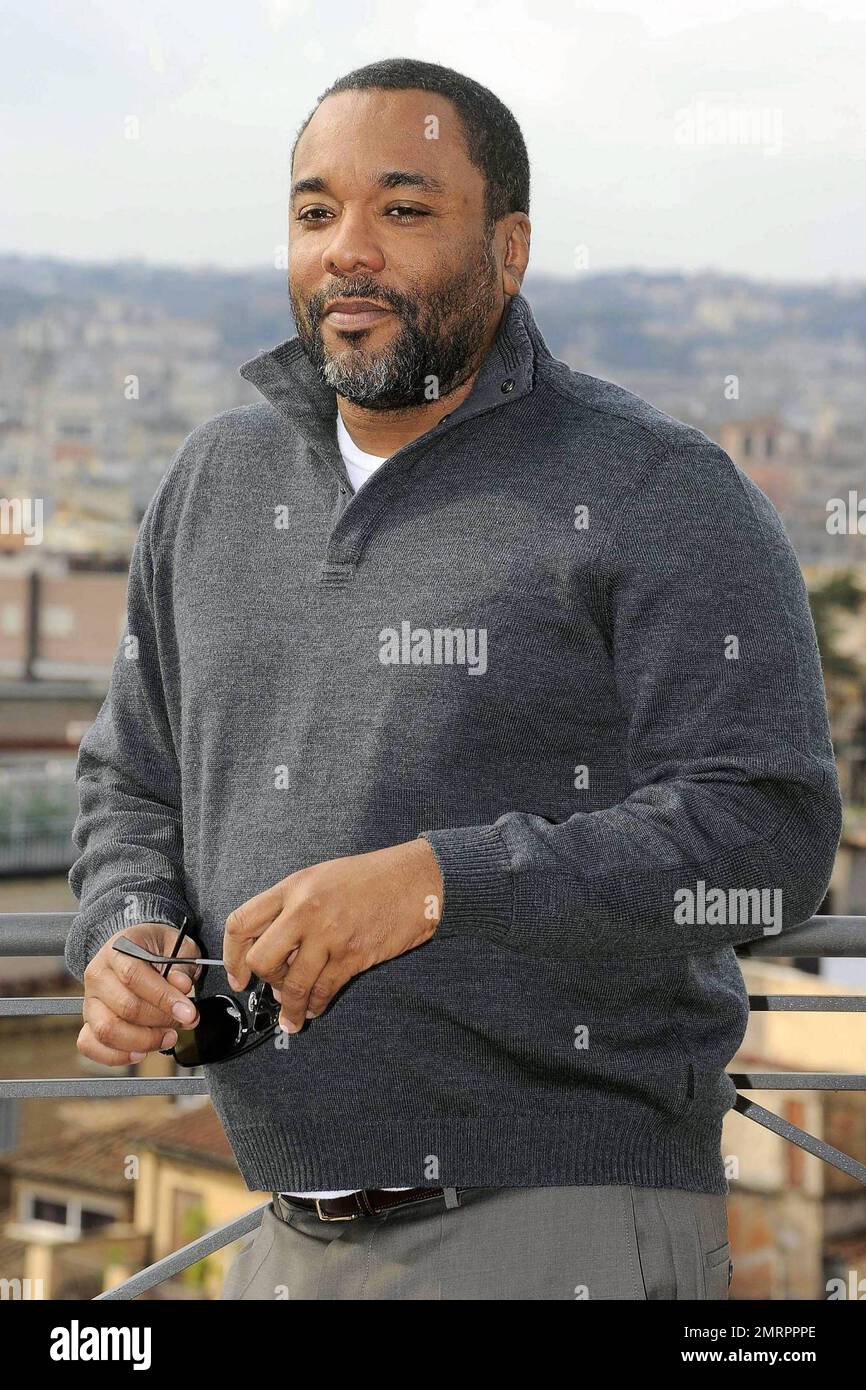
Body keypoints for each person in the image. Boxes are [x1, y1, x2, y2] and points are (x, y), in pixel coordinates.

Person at [65, 58, 841, 1301]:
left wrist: (440, 886)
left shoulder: (659, 489)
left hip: (555, 1226)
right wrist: (127, 930)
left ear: (508, 247)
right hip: (279, 1234)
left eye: (404, 209)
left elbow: (769, 833)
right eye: (316, 211)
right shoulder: (211, 483)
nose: (349, 250)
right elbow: (129, 785)